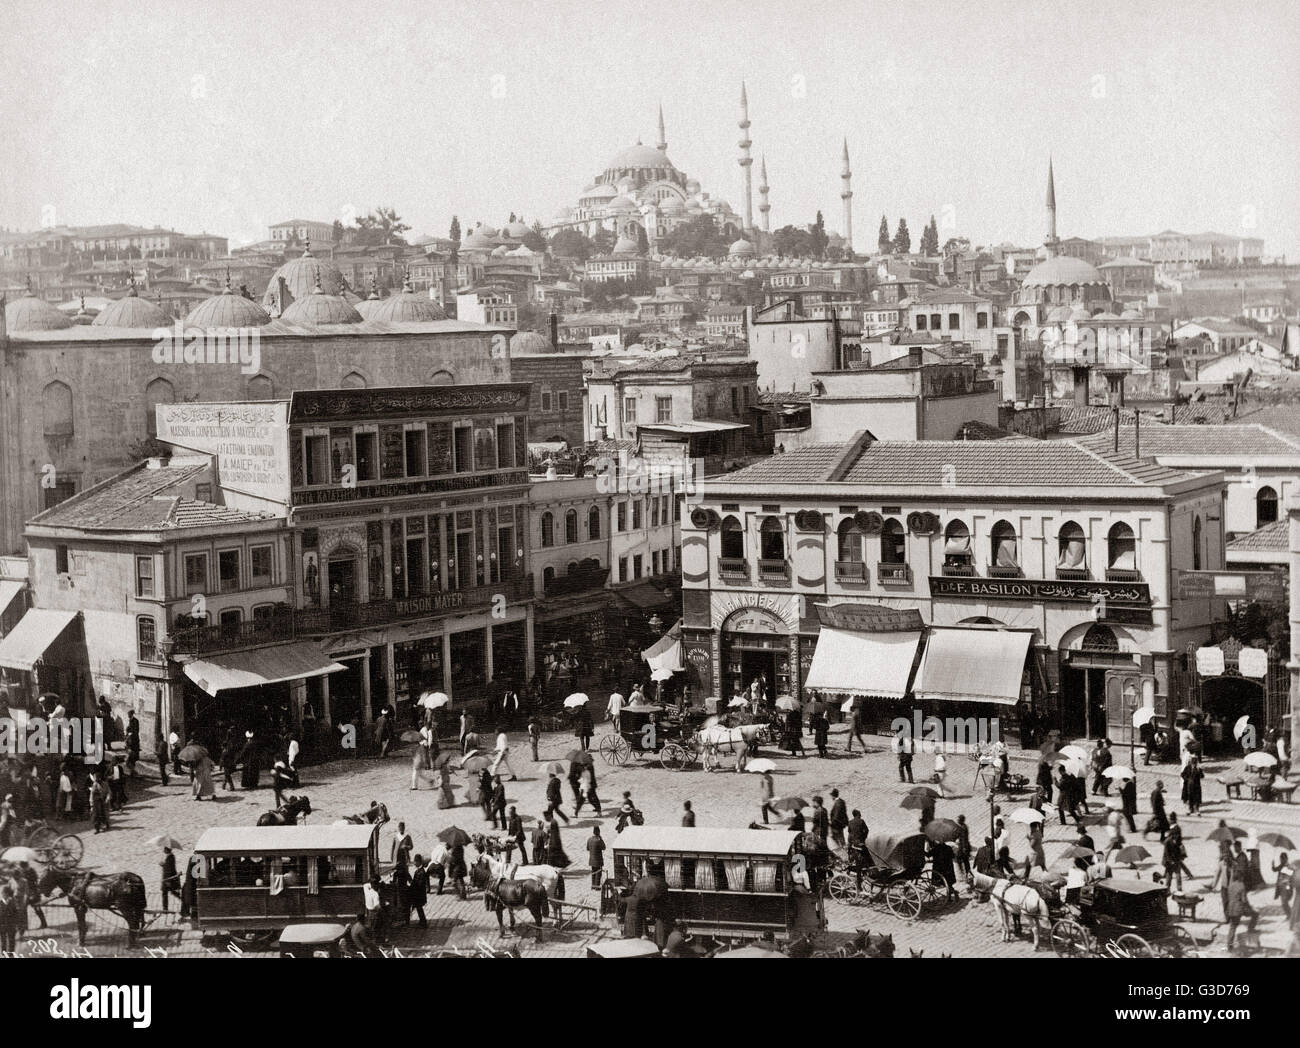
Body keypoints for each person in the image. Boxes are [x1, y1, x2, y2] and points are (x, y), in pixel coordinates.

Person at [1162, 815, 1187, 892]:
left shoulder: (1174, 841)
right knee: (1171, 876)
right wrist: (1171, 860)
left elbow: (1179, 849)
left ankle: (1175, 889)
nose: (1177, 836)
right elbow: (1167, 853)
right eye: (1175, 835)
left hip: (1174, 860)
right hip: (1171, 861)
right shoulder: (1169, 842)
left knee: (1175, 875)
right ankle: (1170, 889)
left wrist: (1181, 856)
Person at [409, 854, 429, 929]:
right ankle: (422, 921)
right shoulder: (419, 871)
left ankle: (423, 923)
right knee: (419, 908)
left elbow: (419, 884)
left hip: (419, 894)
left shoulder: (421, 872)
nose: (414, 863)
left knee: (419, 908)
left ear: (419, 862)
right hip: (418, 894)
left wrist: (412, 888)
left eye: (415, 862)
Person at [160, 847, 181, 911]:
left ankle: (165, 909)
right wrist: (163, 865)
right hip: (169, 879)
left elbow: (169, 869)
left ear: (167, 850)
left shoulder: (170, 857)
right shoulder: (170, 857)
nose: (163, 850)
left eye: (164, 849)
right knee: (169, 893)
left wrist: (168, 881)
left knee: (168, 893)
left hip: (168, 879)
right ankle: (165, 908)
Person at [0, 884, 17, 955]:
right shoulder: (0, 902)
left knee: (11, 939)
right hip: (2, 924)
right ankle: (3, 952)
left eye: (4, 893)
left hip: (11, 924)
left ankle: (11, 952)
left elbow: (16, 913)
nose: (2, 895)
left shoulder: (12, 902)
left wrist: (16, 924)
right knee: (3, 939)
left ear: (7, 894)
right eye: (2, 893)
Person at [953, 814, 972, 879]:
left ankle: (964, 873)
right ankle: (967, 872)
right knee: (965, 860)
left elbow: (963, 838)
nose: (957, 820)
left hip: (963, 847)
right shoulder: (964, 826)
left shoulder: (962, 828)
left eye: (958, 819)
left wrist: (963, 848)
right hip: (964, 846)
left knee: (960, 859)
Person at [126, 711, 140, 778]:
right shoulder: (130, 720)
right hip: (131, 744)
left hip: (134, 743)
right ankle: (132, 772)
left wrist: (131, 733)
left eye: (129, 714)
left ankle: (133, 772)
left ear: (131, 714)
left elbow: (136, 730)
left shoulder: (135, 721)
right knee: (131, 760)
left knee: (130, 760)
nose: (128, 715)